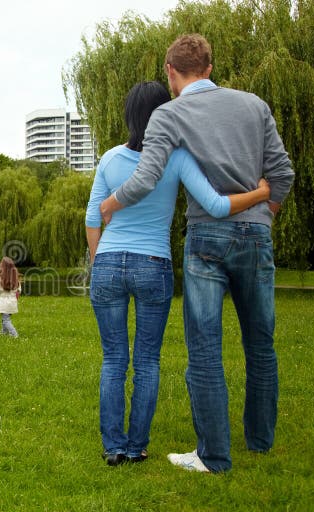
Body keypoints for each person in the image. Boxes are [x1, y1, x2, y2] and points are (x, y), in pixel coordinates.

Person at [99, 34, 295, 473]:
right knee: (260, 343)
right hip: (255, 234)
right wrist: (265, 214)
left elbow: (147, 178)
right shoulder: (254, 105)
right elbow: (282, 173)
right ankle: (260, 441)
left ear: (171, 72)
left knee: (205, 348)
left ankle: (214, 456)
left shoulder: (168, 114)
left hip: (207, 238)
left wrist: (112, 203)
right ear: (208, 67)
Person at [0, 256, 21, 338]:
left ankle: (14, 334)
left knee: (6, 320)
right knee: (5, 317)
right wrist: (15, 299)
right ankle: (3, 331)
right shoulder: (16, 280)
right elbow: (19, 291)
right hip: (13, 302)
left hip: (3, 302)